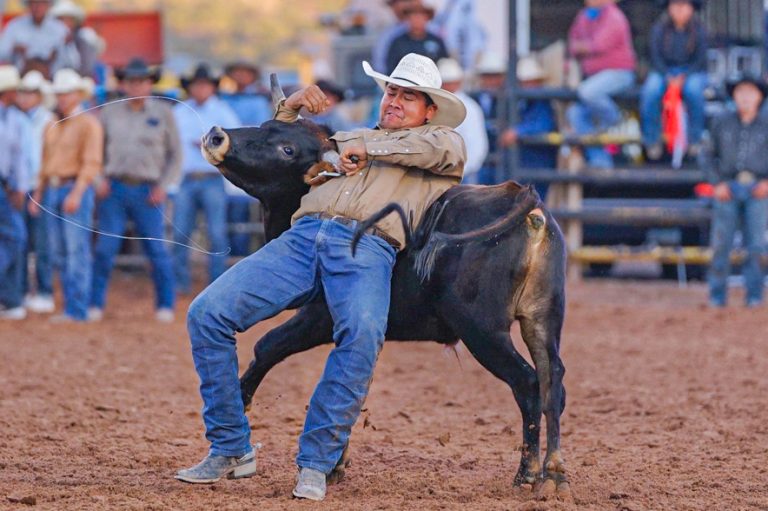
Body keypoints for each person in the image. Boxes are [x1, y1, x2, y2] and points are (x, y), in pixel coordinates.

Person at [175, 53, 467, 502]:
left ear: (429, 111)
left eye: (409, 96)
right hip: (303, 235)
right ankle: (231, 447)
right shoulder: (346, 136)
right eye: (392, 91)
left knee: (363, 333)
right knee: (207, 313)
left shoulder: (441, 145)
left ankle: (317, 461)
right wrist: (290, 107)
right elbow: (281, 144)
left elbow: (442, 149)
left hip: (367, 246)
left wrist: (371, 148)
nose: (395, 101)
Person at [89, 58, 181, 322]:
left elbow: (176, 155)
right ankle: (96, 304)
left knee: (157, 251)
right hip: (114, 188)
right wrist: (99, 180)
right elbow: (96, 151)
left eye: (141, 80)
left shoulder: (164, 113)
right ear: (124, 84)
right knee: (105, 248)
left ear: (150, 83)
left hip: (149, 190)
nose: (136, 85)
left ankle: (165, 305)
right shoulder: (109, 113)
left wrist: (164, 186)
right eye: (131, 81)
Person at [30, 69, 102, 322]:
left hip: (73, 188)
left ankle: (77, 308)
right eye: (59, 93)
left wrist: (78, 192)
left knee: (75, 250)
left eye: (66, 93)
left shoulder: (88, 123)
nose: (62, 97)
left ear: (77, 94)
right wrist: (39, 192)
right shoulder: (53, 124)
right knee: (59, 251)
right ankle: (71, 306)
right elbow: (44, 161)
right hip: (53, 187)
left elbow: (91, 163)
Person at [173, 64, 240, 294]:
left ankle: (217, 284)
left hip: (212, 177)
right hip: (187, 177)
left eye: (205, 85)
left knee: (217, 234)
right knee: (180, 231)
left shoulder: (222, 111)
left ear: (211, 87)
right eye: (197, 85)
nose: (201, 89)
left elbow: (234, 142)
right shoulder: (179, 112)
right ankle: (182, 283)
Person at [705, 76, 768, 308]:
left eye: (750, 92)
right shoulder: (721, 123)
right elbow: (707, 155)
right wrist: (717, 183)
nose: (745, 97)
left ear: (759, 97)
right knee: (722, 244)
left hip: (758, 188)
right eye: (741, 91)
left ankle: (754, 296)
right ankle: (717, 296)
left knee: (756, 245)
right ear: (734, 95)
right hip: (728, 186)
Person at [566, 0, 636, 168]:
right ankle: (601, 162)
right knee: (574, 113)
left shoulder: (614, 16)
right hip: (595, 78)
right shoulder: (583, 16)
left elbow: (597, 45)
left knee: (587, 92)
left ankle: (613, 118)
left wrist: (582, 47)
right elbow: (572, 43)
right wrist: (581, 48)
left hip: (619, 74)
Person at [640, 0, 707, 160]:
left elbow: (700, 60)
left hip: (691, 72)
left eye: (684, 5)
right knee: (651, 91)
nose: (679, 9)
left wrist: (684, 76)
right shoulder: (659, 29)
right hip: (663, 71)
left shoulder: (700, 30)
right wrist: (667, 76)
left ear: (691, 9)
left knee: (694, 91)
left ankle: (695, 139)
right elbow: (654, 57)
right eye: (675, 5)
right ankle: (651, 140)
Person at [16, 70, 55, 313]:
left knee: (41, 242)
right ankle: (20, 290)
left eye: (30, 93)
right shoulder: (17, 119)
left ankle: (44, 290)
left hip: (40, 186)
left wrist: (39, 190)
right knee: (21, 241)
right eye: (23, 92)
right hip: (21, 186)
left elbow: (48, 159)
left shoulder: (49, 120)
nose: (25, 97)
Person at [498, 56, 558, 199]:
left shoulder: (541, 100)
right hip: (527, 160)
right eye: (525, 81)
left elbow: (544, 124)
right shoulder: (525, 101)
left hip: (538, 161)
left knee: (534, 201)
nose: (527, 85)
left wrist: (518, 131)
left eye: (531, 81)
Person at [0, 65, 31, 320]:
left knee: (13, 237)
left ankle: (10, 299)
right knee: (15, 237)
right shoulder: (10, 118)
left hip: (5, 185)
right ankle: (11, 298)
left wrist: (17, 185)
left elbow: (15, 157)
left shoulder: (11, 117)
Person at [438, 58, 487, 182]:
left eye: (450, 81)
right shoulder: (470, 106)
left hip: (461, 172)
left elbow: (477, 147)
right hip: (450, 170)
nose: (448, 85)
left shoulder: (469, 107)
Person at [0, 0, 68, 78]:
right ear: (28, 4)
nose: (37, 7)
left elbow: (73, 62)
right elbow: (2, 53)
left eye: (42, 2)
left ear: (49, 5)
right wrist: (14, 49)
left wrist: (63, 50)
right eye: (34, 2)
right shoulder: (14, 26)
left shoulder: (60, 29)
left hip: (53, 80)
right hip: (21, 79)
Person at [470, 51, 506, 184]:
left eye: (495, 76)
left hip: (502, 157)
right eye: (487, 76)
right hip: (479, 161)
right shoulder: (472, 99)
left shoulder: (508, 100)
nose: (491, 81)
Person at [385, 3, 448, 73]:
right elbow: (390, 67)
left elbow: (445, 66)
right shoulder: (398, 42)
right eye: (413, 16)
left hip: (431, 81)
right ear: (408, 19)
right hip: (405, 81)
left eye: (420, 16)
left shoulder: (436, 41)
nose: (417, 20)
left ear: (427, 18)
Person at [49, 0, 105, 78]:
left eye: (66, 19)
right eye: (59, 19)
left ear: (74, 21)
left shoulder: (83, 39)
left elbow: (87, 68)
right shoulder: (52, 41)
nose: (62, 23)